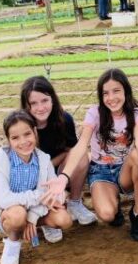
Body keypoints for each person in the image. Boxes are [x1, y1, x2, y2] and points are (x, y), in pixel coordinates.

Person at [42, 69, 138, 241]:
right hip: (101, 170)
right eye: (105, 93)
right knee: (107, 214)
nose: (111, 98)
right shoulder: (95, 113)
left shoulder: (135, 114)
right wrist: (64, 177)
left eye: (116, 91)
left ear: (125, 91)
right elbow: (81, 145)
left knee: (137, 155)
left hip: (125, 170)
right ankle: (114, 204)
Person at [0, 110, 73, 264]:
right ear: (8, 140)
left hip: (36, 210)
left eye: (27, 134)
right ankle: (13, 242)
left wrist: (33, 217)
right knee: (18, 215)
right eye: (15, 138)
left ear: (35, 132)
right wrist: (40, 196)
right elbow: (3, 200)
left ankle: (39, 224)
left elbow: (55, 195)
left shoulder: (43, 159)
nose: (23, 141)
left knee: (63, 219)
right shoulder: (1, 159)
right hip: (9, 213)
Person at [20, 76, 97, 226]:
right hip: (33, 176)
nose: (40, 107)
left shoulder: (64, 119)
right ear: (26, 105)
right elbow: (28, 165)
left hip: (59, 171)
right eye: (33, 103)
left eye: (44, 100)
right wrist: (53, 162)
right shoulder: (23, 126)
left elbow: (72, 151)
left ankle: (74, 202)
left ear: (52, 100)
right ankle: (44, 214)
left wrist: (56, 164)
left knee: (82, 156)